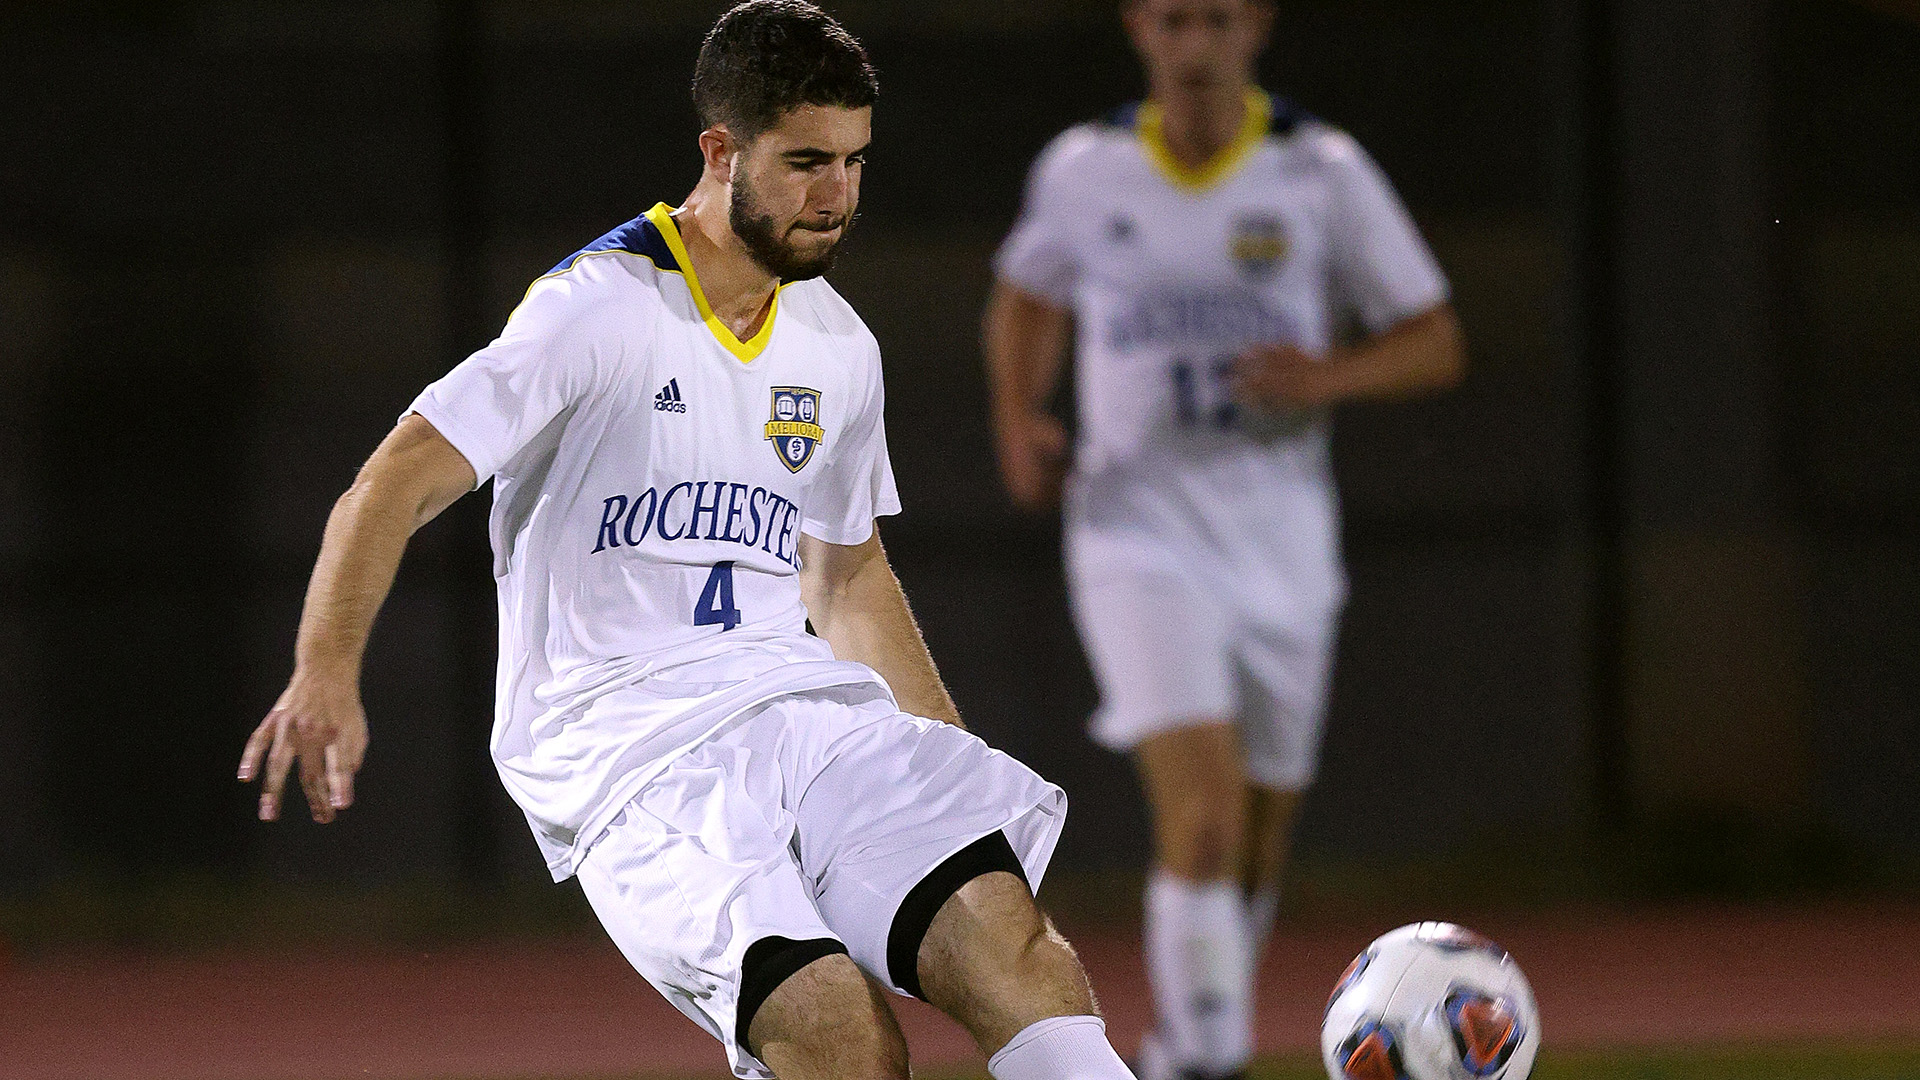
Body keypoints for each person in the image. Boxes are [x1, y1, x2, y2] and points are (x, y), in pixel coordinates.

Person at [238, 4, 1141, 1079]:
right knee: (839, 1034)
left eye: (854, 162)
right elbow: (392, 481)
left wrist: (939, 763)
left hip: (801, 714)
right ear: (721, 151)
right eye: (806, 162)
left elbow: (846, 575)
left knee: (1018, 953)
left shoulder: (838, 345)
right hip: (635, 758)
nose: (837, 195)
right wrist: (324, 669)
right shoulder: (596, 310)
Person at [984, 2, 1466, 1077]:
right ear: (1138, 30)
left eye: (1214, 18)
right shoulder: (1087, 168)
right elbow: (1024, 296)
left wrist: (1329, 376)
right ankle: (1209, 1055)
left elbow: (1435, 339)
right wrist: (1020, 415)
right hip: (1136, 532)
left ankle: (1182, 1043)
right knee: (1198, 820)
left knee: (1253, 836)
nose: (1192, 44)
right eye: (1171, 20)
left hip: (1282, 535)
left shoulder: (1320, 170)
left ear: (1255, 27)